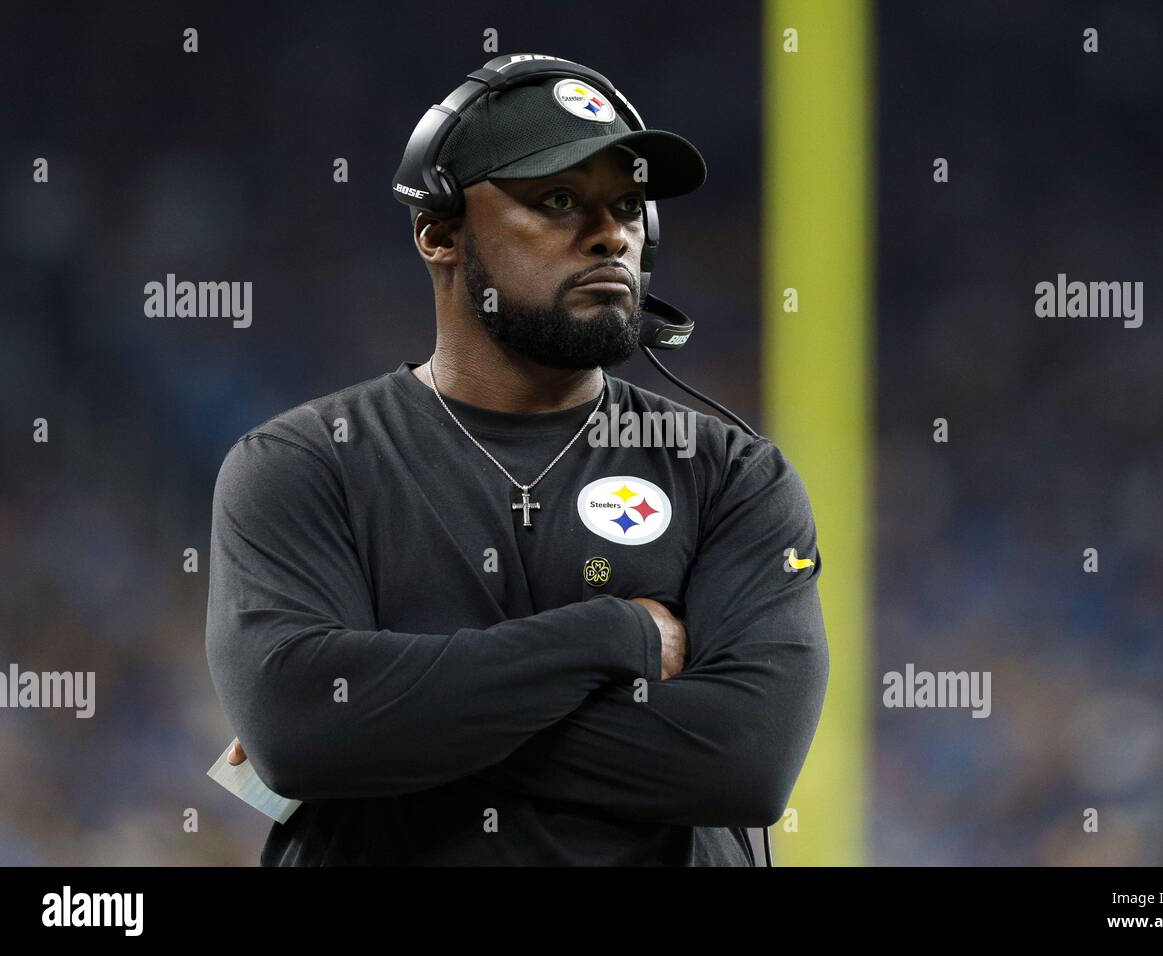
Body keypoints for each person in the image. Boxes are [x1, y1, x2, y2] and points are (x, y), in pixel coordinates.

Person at [204, 63, 829, 865]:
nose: (612, 234)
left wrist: (405, 725)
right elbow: (301, 732)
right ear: (438, 232)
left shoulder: (732, 476)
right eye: (559, 200)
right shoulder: (301, 465)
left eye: (630, 207)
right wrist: (616, 634)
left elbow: (746, 761)